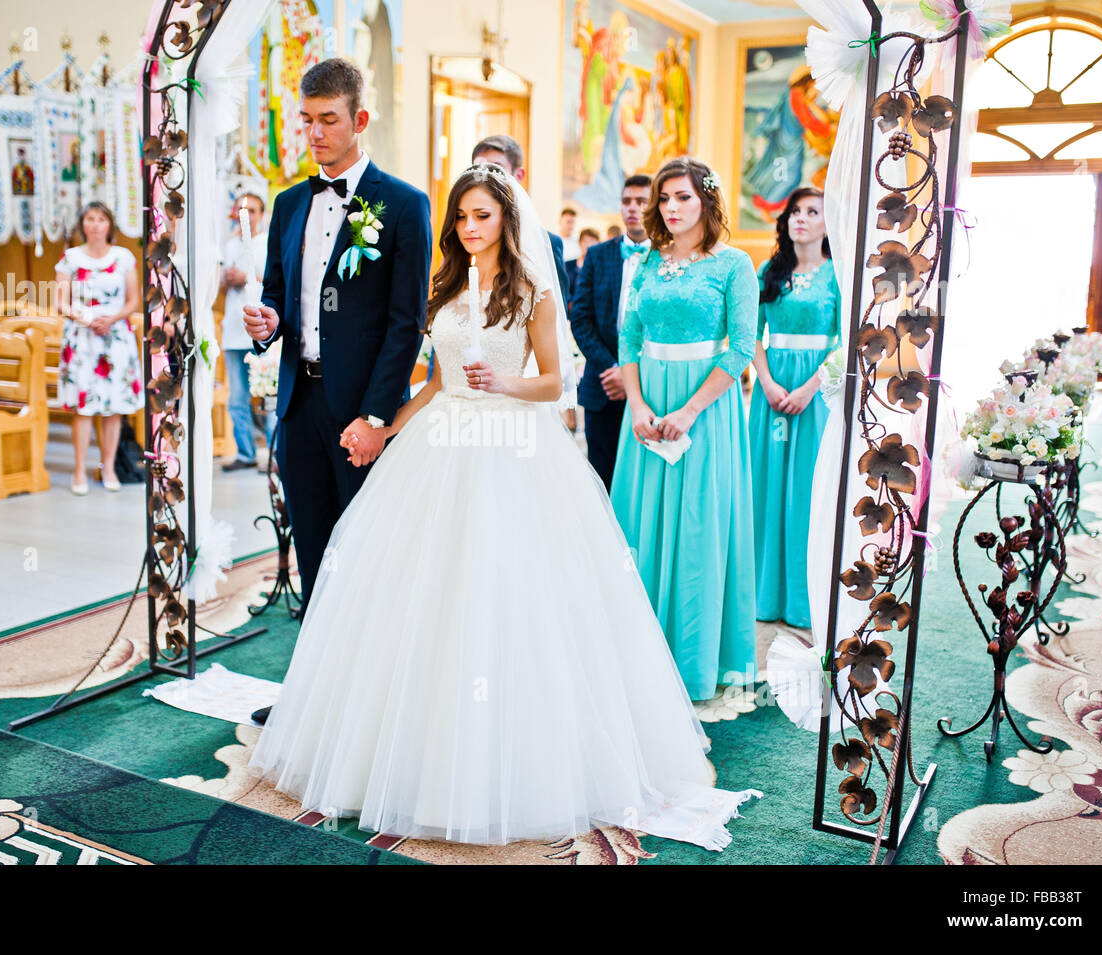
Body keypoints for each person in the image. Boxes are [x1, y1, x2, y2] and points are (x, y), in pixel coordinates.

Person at [248, 161, 760, 848]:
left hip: (513, 442)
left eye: (482, 215)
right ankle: (406, 749)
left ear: (506, 220)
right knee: (418, 587)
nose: (469, 227)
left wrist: (506, 386)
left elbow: (553, 383)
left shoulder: (533, 294)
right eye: (461, 216)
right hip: (440, 438)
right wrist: (390, 423)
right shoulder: (448, 284)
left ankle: (514, 756)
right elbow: (436, 378)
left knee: (511, 591)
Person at [242, 58, 432, 726]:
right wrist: (267, 322)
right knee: (315, 548)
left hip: (362, 414)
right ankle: (316, 697)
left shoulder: (404, 205)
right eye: (308, 120)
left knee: (369, 555)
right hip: (298, 405)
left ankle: (374, 701)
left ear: (360, 119)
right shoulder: (291, 203)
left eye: (328, 119)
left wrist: (377, 415)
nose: (315, 133)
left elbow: (406, 323)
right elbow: (275, 291)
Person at [609, 158, 758, 701]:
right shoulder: (647, 260)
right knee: (641, 525)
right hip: (646, 411)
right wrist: (638, 405)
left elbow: (741, 346)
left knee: (697, 528)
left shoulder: (735, 264)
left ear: (706, 203)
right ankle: (637, 655)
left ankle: (694, 661)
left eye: (683, 198)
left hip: (705, 409)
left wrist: (689, 411)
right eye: (665, 199)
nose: (671, 209)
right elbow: (628, 339)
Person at [749, 187, 839, 629]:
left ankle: (804, 599)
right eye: (794, 212)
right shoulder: (769, 271)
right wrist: (766, 383)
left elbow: (846, 341)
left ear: (828, 221)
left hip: (816, 394)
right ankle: (764, 595)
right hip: (770, 395)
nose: (800, 218)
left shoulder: (837, 274)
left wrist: (808, 388)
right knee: (767, 485)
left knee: (806, 491)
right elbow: (752, 335)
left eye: (812, 211)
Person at [53, 202, 143, 495]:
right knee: (83, 407)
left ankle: (108, 467)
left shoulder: (123, 257)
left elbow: (133, 301)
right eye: (90, 219)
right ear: (83, 224)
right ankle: (79, 469)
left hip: (115, 335)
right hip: (82, 336)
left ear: (109, 225)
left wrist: (112, 318)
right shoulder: (70, 258)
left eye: (101, 219)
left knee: (113, 406)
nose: (95, 224)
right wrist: (86, 318)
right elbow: (61, 301)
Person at [568, 173, 650, 490]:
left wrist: (631, 372)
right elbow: (581, 319)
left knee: (640, 480)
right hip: (602, 384)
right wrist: (612, 368)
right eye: (627, 201)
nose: (632, 208)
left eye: (641, 202)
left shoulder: (667, 256)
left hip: (649, 384)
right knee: (601, 477)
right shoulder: (600, 254)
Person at [470, 136, 571, 309]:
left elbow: (557, 315)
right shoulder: (466, 237)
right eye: (478, 170)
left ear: (519, 175)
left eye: (495, 169)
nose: (485, 179)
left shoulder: (548, 244)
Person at [219, 192, 272, 471]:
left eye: (252, 210)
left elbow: (277, 282)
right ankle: (245, 452)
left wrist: (247, 277)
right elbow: (221, 287)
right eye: (242, 210)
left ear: (261, 215)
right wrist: (227, 280)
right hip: (233, 328)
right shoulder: (229, 246)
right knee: (237, 395)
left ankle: (274, 453)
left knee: (269, 392)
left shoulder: (268, 243)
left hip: (263, 328)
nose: (247, 215)